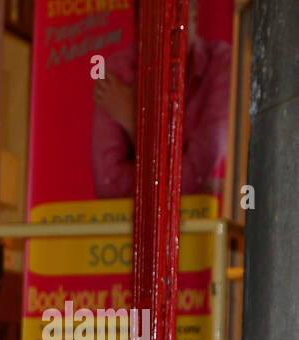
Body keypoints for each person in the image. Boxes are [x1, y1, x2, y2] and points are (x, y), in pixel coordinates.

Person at [92, 0, 230, 198]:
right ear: (139, 25)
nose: (165, 32)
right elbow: (109, 186)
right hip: (132, 224)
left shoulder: (221, 63)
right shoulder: (117, 70)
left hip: (201, 224)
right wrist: (200, 186)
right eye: (154, 21)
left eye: (175, 19)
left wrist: (136, 121)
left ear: (194, 16)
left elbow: (197, 172)